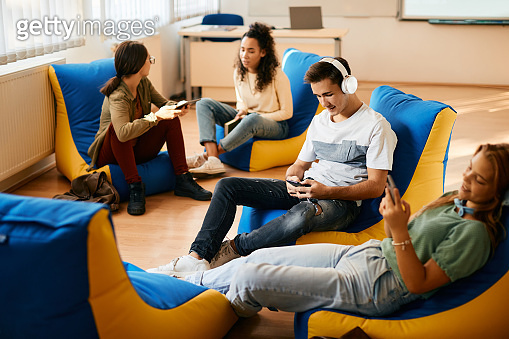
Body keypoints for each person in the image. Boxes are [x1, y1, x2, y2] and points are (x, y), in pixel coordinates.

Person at [183, 143, 509, 318]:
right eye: (469, 168)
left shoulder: (475, 234)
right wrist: (399, 222)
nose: (466, 179)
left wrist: (397, 229)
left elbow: (417, 282)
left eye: (479, 179)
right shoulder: (455, 198)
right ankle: (183, 283)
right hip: (364, 255)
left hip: (375, 286)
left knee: (248, 279)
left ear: (499, 192)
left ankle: (215, 308)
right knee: (260, 256)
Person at [148, 55, 398, 276]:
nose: (324, 103)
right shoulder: (320, 121)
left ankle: (234, 248)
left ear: (348, 85)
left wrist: (327, 191)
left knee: (304, 213)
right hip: (307, 188)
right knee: (227, 185)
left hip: (339, 203)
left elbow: (376, 187)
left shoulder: (375, 126)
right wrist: (293, 177)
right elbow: (299, 165)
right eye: (318, 96)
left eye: (329, 94)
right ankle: (197, 258)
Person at [87, 41, 212, 216]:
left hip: (136, 148)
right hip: (111, 154)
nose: (151, 62)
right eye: (149, 59)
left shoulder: (144, 83)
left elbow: (163, 103)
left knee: (171, 119)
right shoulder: (118, 96)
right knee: (118, 129)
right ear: (138, 64)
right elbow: (123, 133)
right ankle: (135, 188)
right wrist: (156, 116)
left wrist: (176, 107)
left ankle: (183, 179)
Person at [186, 22, 293, 176]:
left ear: (263, 52)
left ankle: (207, 157)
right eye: (242, 50)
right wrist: (242, 109)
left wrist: (253, 117)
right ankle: (214, 161)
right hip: (248, 119)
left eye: (251, 51)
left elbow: (287, 112)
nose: (244, 55)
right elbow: (241, 99)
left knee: (252, 119)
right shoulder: (239, 71)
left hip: (276, 125)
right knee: (204, 103)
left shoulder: (277, 75)